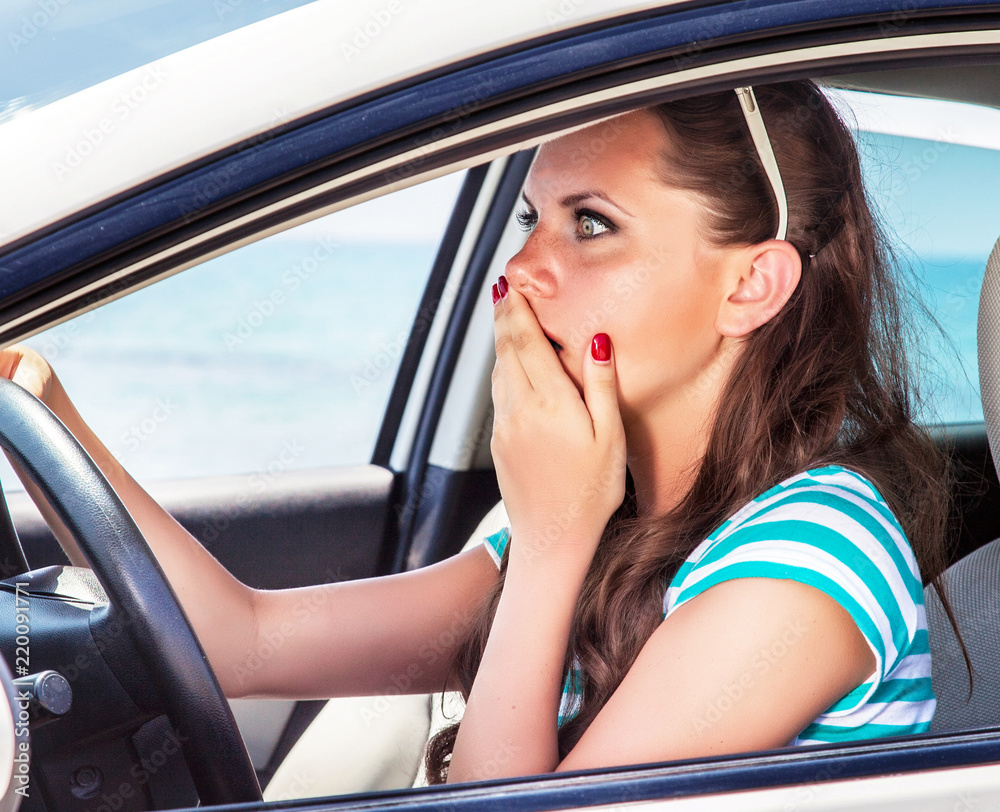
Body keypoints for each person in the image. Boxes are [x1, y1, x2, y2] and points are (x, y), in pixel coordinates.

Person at [0, 80, 962, 786]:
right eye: (530, 218)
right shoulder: (603, 518)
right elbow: (240, 642)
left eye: (591, 226)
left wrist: (550, 545)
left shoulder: (811, 556)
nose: (519, 273)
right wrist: (37, 399)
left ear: (750, 285)